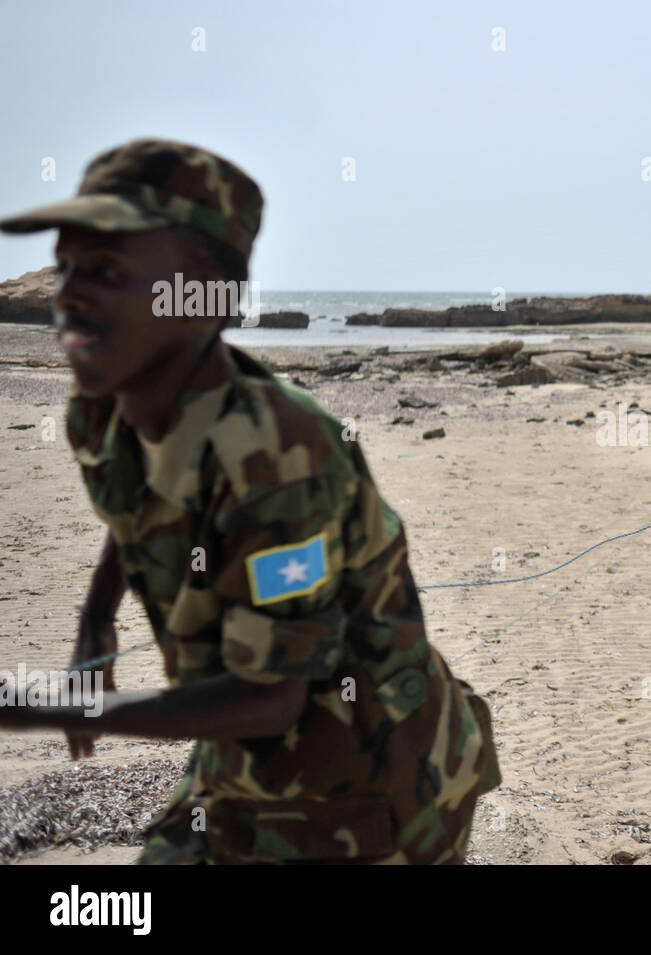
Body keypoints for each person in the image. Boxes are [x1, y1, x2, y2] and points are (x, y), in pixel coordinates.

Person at [0, 138, 499, 864]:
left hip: (372, 780)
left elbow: (271, 697)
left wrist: (39, 707)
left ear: (206, 298)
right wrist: (95, 621)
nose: (69, 292)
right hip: (237, 749)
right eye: (67, 264)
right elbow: (136, 509)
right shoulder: (104, 410)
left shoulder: (281, 459)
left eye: (106, 270)